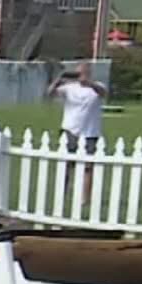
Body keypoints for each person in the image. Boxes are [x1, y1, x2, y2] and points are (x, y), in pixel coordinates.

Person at [49, 63, 107, 197]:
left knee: (88, 166)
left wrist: (89, 83)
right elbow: (49, 93)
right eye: (77, 73)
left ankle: (85, 197)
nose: (80, 76)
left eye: (83, 73)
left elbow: (103, 93)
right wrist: (58, 80)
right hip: (70, 130)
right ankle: (62, 193)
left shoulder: (97, 86)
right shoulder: (69, 88)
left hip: (90, 132)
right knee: (67, 165)